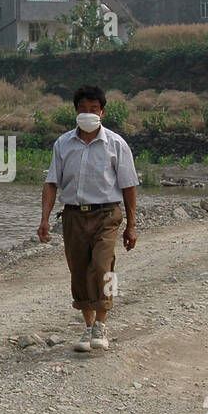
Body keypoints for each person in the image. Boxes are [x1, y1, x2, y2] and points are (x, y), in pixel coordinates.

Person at [38, 85, 139, 352]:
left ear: (102, 112)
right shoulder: (63, 144)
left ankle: (102, 324)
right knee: (79, 272)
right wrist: (45, 219)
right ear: (75, 112)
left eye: (93, 109)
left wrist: (132, 225)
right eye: (83, 109)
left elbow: (129, 185)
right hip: (73, 216)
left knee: (103, 267)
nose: (88, 114)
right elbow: (51, 183)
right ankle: (88, 326)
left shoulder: (116, 144)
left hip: (107, 214)